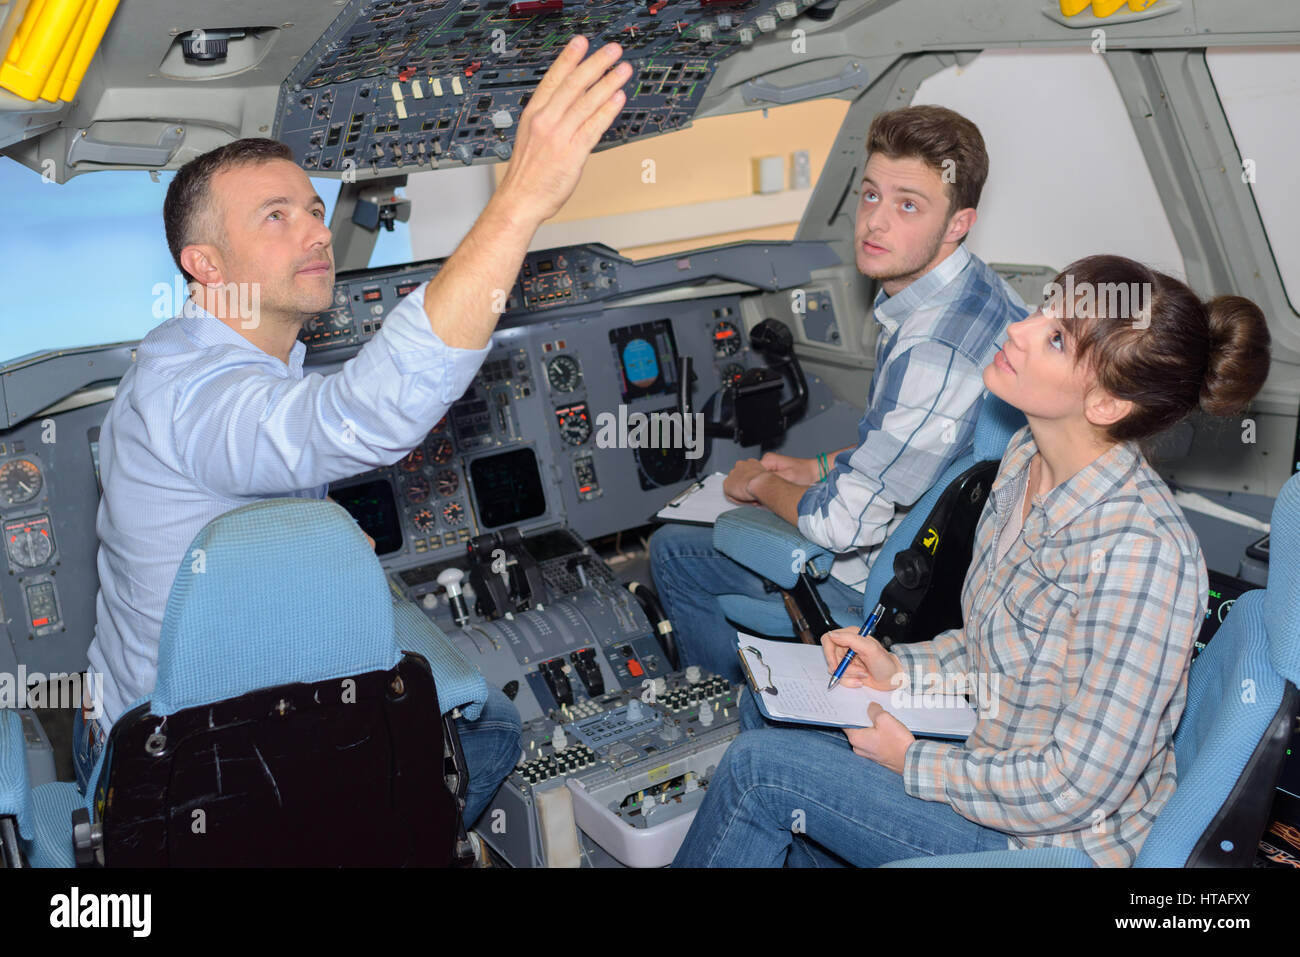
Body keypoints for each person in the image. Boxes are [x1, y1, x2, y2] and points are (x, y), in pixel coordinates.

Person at [78, 35, 633, 829]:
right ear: (204, 263)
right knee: (491, 732)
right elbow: (354, 418)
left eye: (312, 208)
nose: (312, 232)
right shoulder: (189, 392)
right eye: (276, 217)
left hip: (218, 716)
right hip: (175, 769)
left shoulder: (223, 354)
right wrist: (519, 201)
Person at [674, 254, 1272, 867]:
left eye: (1056, 337)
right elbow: (998, 652)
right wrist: (896, 667)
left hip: (1046, 843)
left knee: (758, 772)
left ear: (1107, 405)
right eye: (1043, 308)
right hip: (991, 761)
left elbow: (1072, 788)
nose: (1019, 329)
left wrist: (911, 761)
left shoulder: (1143, 554)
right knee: (767, 710)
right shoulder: (1021, 461)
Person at [650, 105, 1027, 684]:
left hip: (890, 586)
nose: (874, 222)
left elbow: (840, 528)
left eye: (908, 205)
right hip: (949, 562)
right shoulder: (984, 293)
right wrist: (812, 466)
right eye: (871, 195)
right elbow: (910, 449)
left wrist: (758, 482)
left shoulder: (933, 349)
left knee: (674, 549)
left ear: (958, 222)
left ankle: (723, 708)